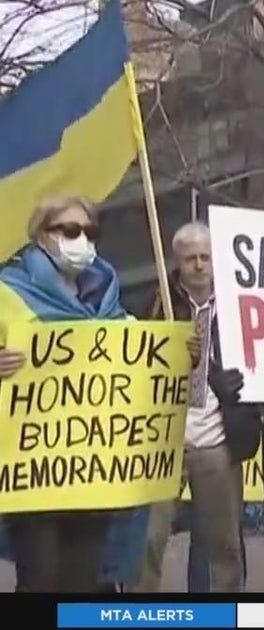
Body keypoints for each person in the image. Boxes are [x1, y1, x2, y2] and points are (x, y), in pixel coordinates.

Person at [0, 196, 127, 591]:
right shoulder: (6, 292)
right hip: (32, 474)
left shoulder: (108, 298)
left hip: (92, 470)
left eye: (90, 232)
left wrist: (181, 355)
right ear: (41, 235)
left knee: (84, 585)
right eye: (71, 231)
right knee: (41, 583)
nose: (83, 241)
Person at [131, 222, 259, 592]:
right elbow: (138, 361)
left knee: (224, 543)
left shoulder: (240, 303)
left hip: (217, 439)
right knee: (149, 540)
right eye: (191, 259)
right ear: (177, 262)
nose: (200, 265)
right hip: (164, 441)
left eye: (205, 257)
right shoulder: (157, 302)